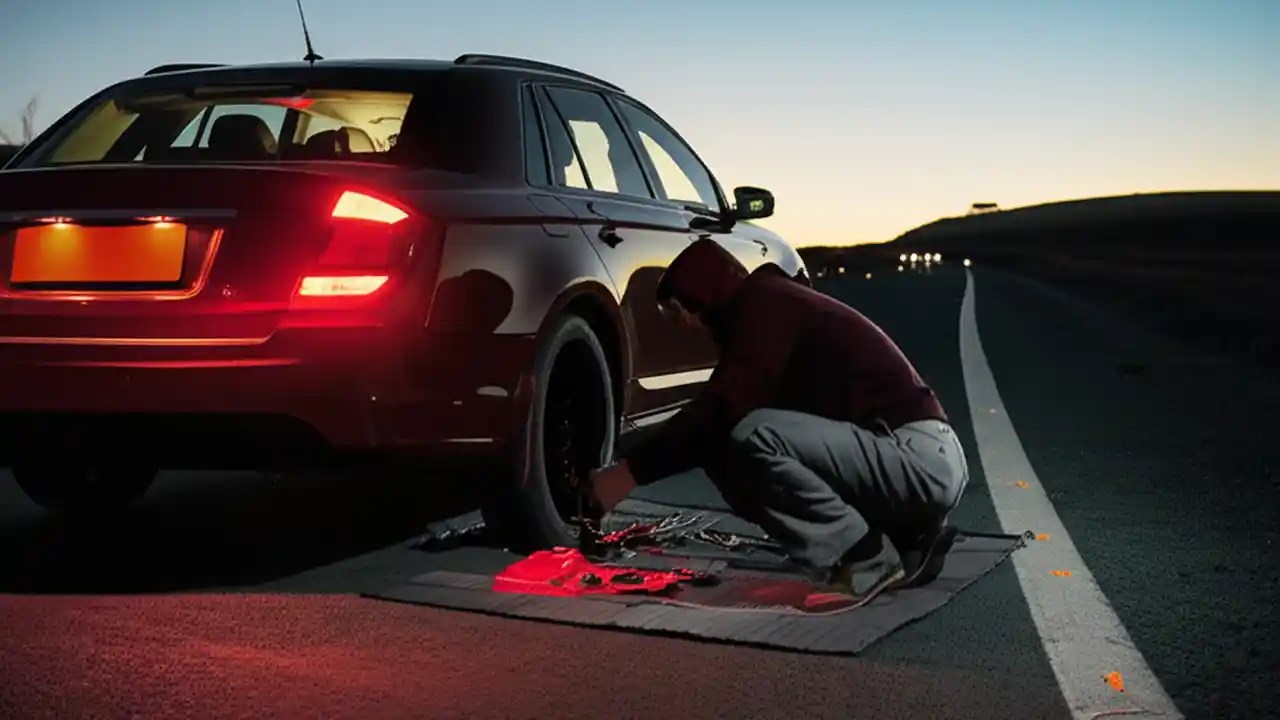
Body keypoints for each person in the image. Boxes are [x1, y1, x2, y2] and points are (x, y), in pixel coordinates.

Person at [587, 238, 969, 605]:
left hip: (914, 456)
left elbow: (719, 411)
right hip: (919, 455)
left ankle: (863, 557)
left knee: (753, 436)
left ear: (704, 293)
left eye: (680, 308)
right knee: (729, 448)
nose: (684, 323)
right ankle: (909, 538)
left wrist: (627, 474)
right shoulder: (776, 306)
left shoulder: (764, 307)